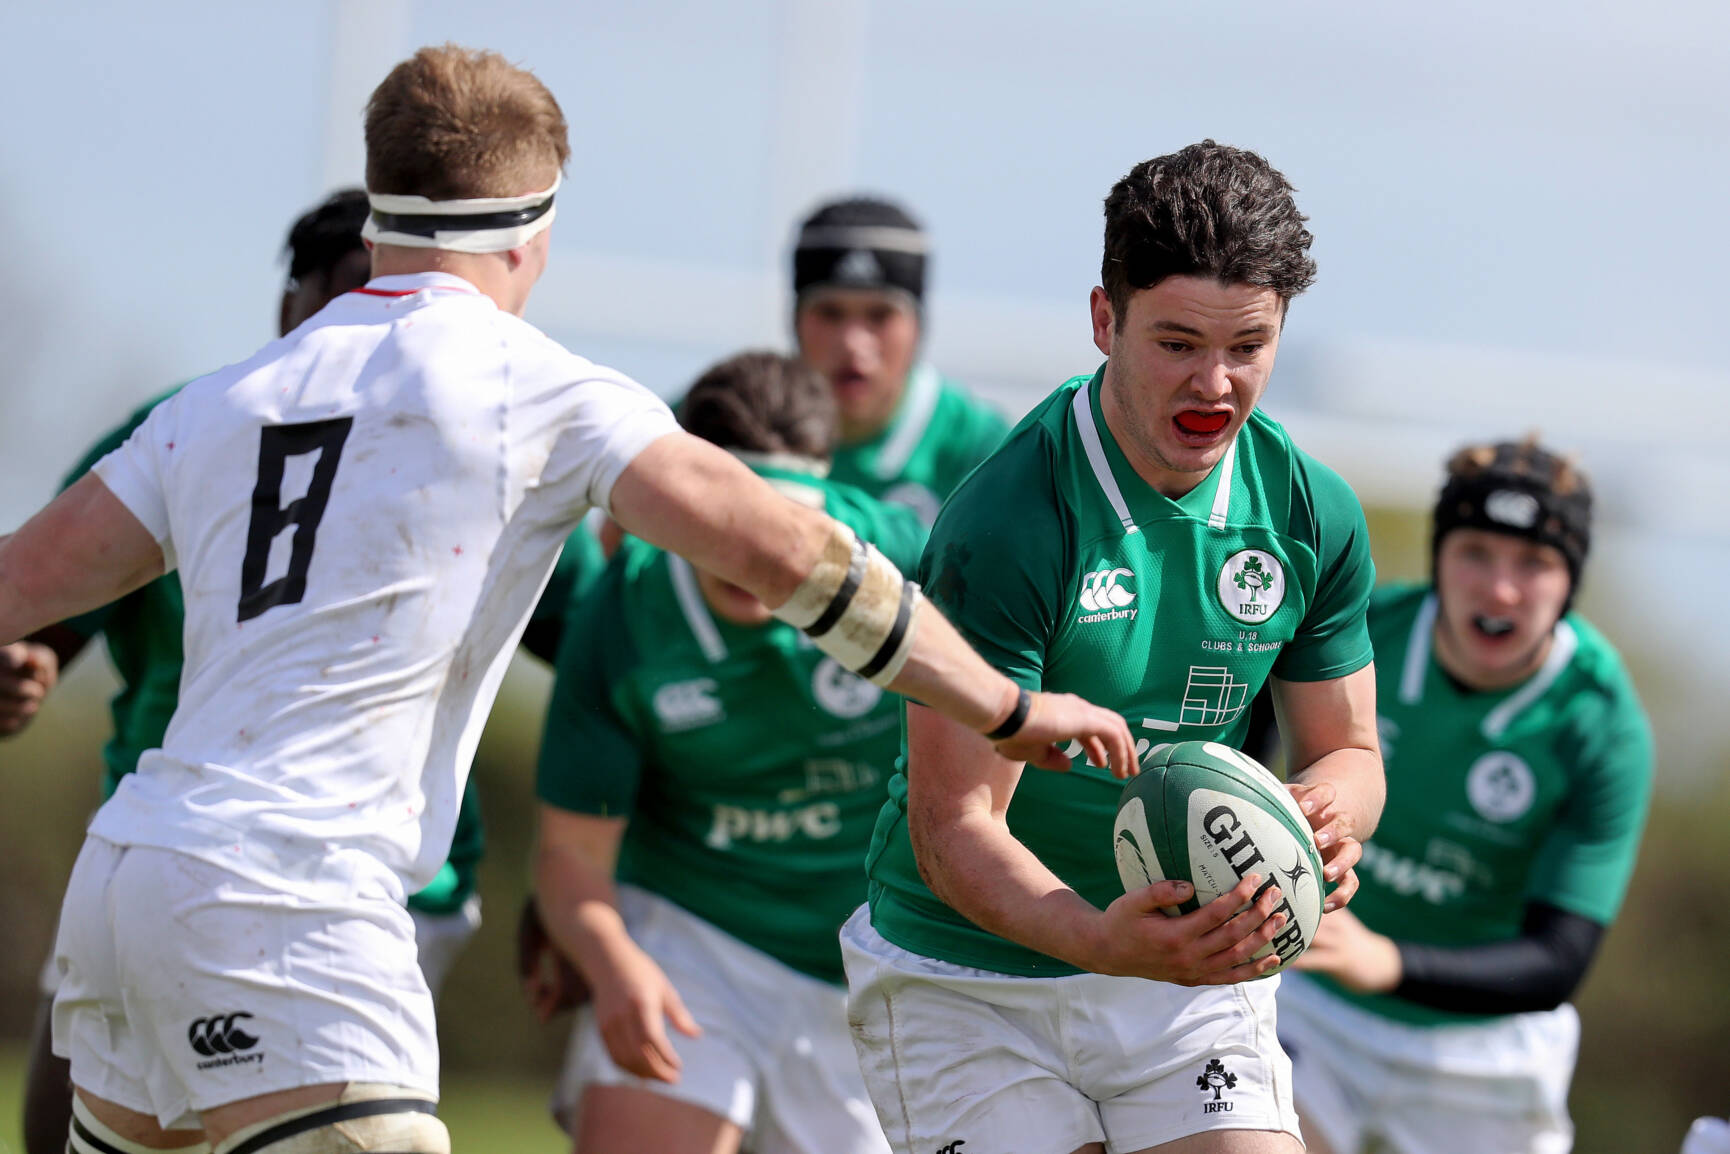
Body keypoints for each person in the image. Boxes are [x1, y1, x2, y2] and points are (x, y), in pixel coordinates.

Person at [0, 44, 1132, 1154]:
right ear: (533, 231)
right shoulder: (532, 386)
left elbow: (20, 580)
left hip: (130, 879)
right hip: (288, 902)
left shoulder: (218, 400)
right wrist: (1004, 706)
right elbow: (787, 551)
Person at [841, 140, 1386, 1154]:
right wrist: (1101, 938)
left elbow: (1348, 747)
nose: (1213, 382)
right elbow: (953, 824)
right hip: (969, 973)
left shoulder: (1312, 511)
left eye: (1247, 346)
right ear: (1104, 319)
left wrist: (1324, 820)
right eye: (1176, 342)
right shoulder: (1010, 518)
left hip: (1189, 953)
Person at [1, 187, 496, 1154]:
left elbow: (606, 641)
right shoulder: (194, 424)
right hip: (158, 850)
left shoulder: (474, 443)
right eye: (356, 288)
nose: (381, 316)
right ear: (292, 305)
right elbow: (41, 618)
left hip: (367, 883)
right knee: (54, 1122)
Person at [532, 350, 914, 1154]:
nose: (756, 554)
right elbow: (571, 852)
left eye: (780, 526)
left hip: (872, 963)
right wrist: (608, 961)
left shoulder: (905, 562)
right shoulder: (623, 612)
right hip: (693, 940)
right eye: (725, 521)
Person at [1277, 437, 1654, 1154]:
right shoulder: (1350, 639)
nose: (1500, 589)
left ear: (1569, 582)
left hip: (1486, 1054)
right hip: (1314, 1007)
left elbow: (1558, 959)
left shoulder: (1604, 724)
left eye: (1534, 564)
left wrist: (1387, 961)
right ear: (1440, 555)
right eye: (1476, 551)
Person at [790, 196, 1008, 525]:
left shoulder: (987, 453)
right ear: (795, 321)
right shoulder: (718, 427)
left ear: (918, 326)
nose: (853, 342)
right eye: (830, 313)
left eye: (880, 315)